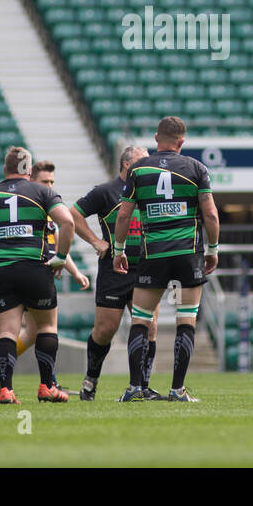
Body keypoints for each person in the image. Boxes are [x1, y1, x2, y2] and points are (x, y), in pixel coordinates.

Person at [111, 116, 220, 402]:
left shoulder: (138, 169)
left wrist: (118, 250)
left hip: (152, 253)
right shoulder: (197, 168)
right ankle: (177, 390)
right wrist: (213, 249)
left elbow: (123, 214)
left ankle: (135, 387)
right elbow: (210, 214)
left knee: (141, 319)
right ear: (181, 142)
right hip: (188, 253)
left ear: (157, 138)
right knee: (187, 319)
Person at [0, 147, 76, 405]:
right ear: (30, 171)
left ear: (5, 169)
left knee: (8, 332)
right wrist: (61, 257)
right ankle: (46, 387)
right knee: (46, 326)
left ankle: (6, 390)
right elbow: (68, 223)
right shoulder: (43, 192)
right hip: (35, 267)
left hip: (1, 269)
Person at [72, 145, 163, 400]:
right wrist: (95, 242)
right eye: (141, 161)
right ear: (126, 164)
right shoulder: (105, 191)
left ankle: (142, 386)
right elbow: (73, 215)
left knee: (149, 326)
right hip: (114, 270)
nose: (147, 165)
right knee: (105, 329)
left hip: (145, 267)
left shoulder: (151, 190)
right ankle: (90, 381)